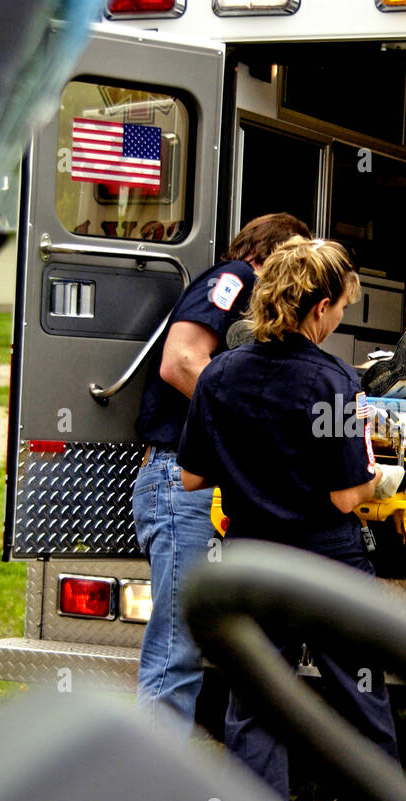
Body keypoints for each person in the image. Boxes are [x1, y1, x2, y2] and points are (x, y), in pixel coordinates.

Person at [175, 237, 400, 801]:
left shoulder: (221, 374)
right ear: (320, 306)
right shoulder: (333, 379)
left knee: (254, 709)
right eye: (340, 309)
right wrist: (383, 480)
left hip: (250, 559)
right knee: (360, 706)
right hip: (327, 562)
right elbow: (345, 496)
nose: (337, 321)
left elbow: (192, 476)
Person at [132, 212, 311, 733]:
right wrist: (255, 422)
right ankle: (150, 793)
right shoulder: (234, 279)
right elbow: (182, 361)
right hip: (182, 480)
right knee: (176, 649)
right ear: (274, 254)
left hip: (213, 484)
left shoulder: (252, 294)